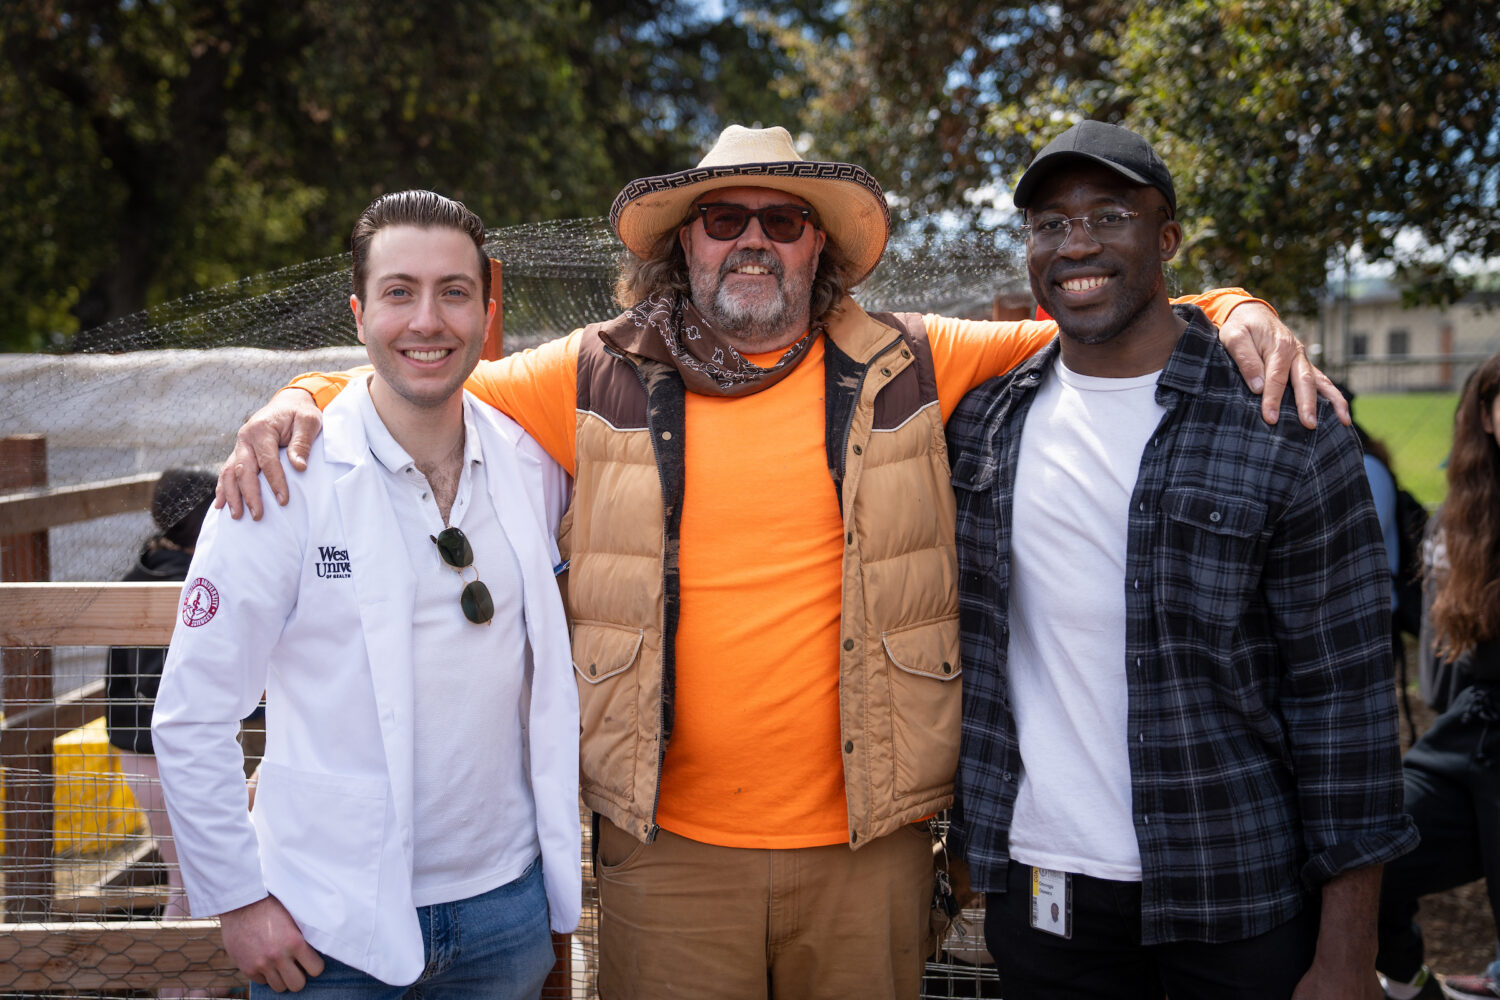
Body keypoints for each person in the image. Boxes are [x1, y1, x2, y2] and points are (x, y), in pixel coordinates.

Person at [214, 125, 1344, 999]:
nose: (752, 238)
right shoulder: (597, 373)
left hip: (868, 847)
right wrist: (291, 399)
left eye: (783, 220)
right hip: (667, 852)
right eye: (723, 219)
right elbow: (414, 373)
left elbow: (1104, 307)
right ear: (682, 243)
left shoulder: (909, 360)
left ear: (821, 247)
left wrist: (1238, 307)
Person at [945, 120, 1417, 999]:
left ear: (1166, 239)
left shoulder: (1285, 428)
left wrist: (1349, 949)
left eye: (1110, 214)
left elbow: (1347, 703)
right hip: (1046, 899)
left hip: (1237, 892)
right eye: (1050, 222)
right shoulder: (982, 424)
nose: (1076, 242)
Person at [152, 190, 581, 998]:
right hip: (327, 926)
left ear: (486, 313)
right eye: (398, 292)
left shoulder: (533, 463)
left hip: (508, 912)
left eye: (454, 292)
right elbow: (192, 710)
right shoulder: (280, 481)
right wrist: (239, 900)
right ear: (358, 314)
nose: (428, 320)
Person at [1376, 354, 1500, 1000]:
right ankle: (1407, 980)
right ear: (1486, 413)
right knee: (1372, 847)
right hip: (1473, 730)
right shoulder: (1466, 510)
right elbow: (1443, 652)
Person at [106, 467, 218, 922]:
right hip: (167, 756)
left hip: (139, 753)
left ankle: (191, 986)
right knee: (194, 884)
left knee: (191, 880)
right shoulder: (186, 588)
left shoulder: (142, 570)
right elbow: (159, 688)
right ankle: (185, 988)